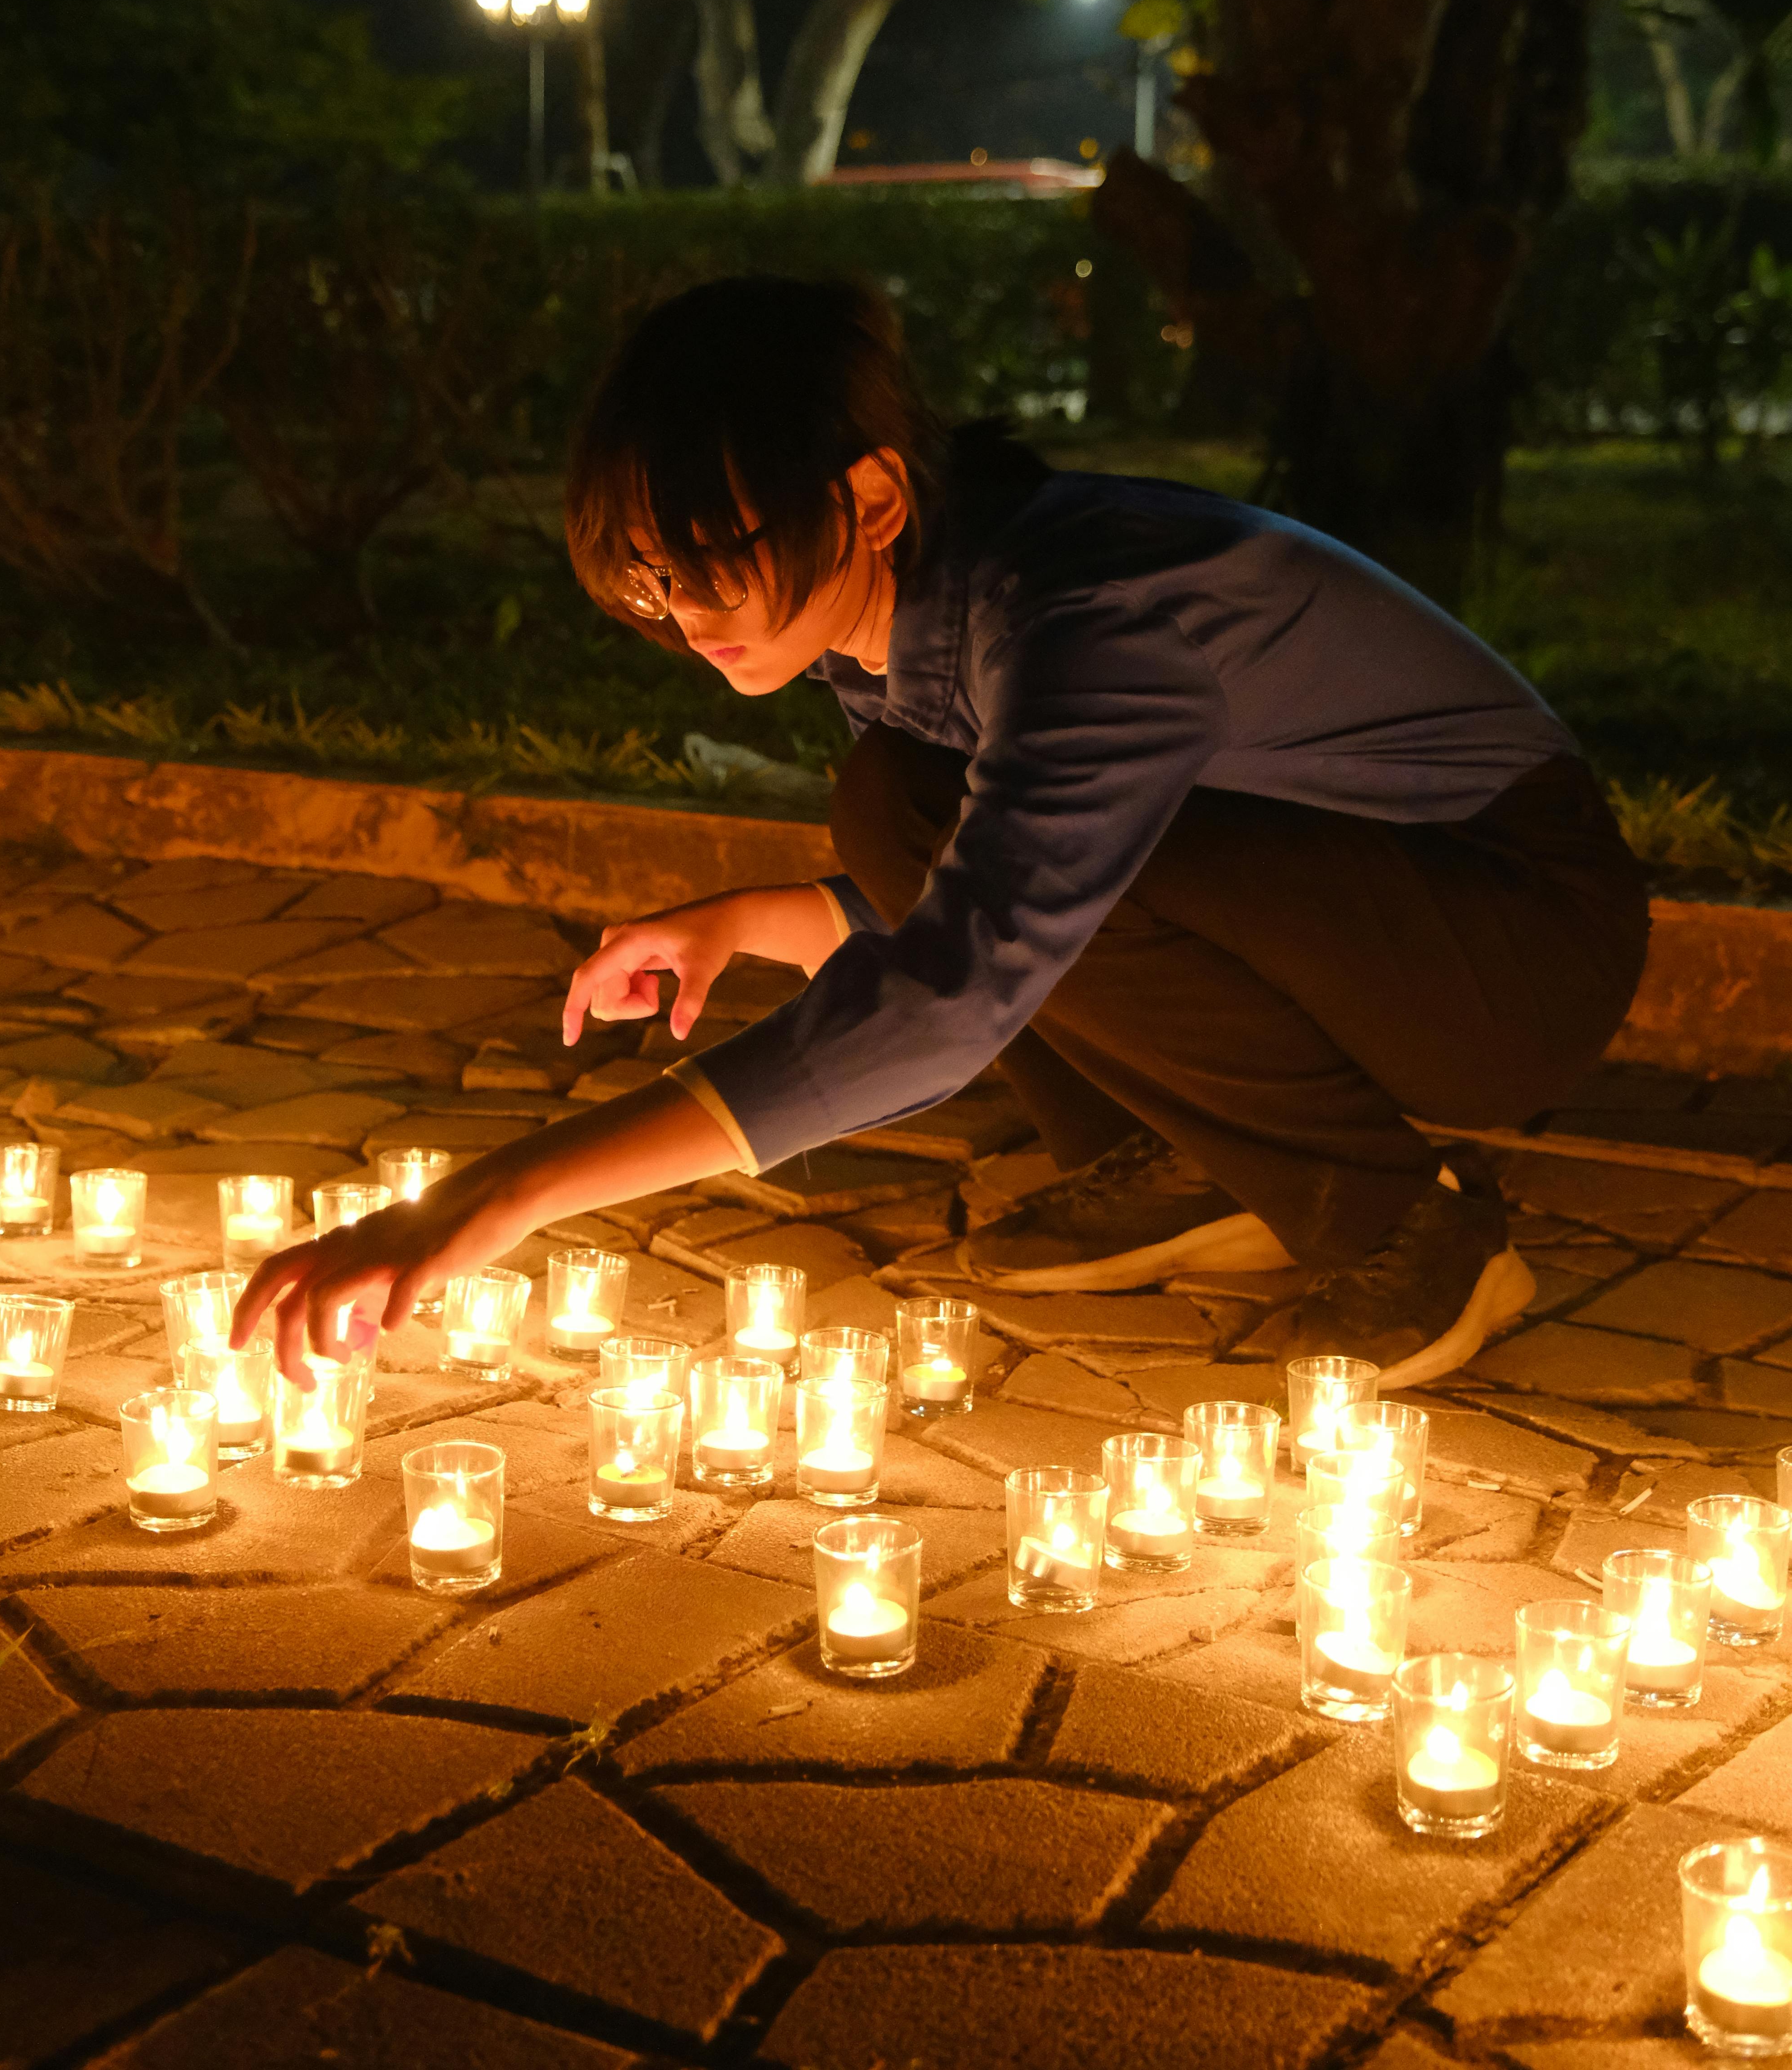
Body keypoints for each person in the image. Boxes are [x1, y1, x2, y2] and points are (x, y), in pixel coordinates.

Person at [234, 272, 1649, 1393]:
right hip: (1353, 898)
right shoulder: (899, 637)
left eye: (713, 555)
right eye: (651, 576)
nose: (682, 611)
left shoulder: (1078, 618)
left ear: (870, 500)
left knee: (987, 833)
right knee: (897, 805)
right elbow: (972, 880)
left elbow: (974, 971)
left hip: (1510, 938)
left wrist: (505, 1195)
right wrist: (748, 924)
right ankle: (1192, 1168)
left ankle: (1415, 1230)